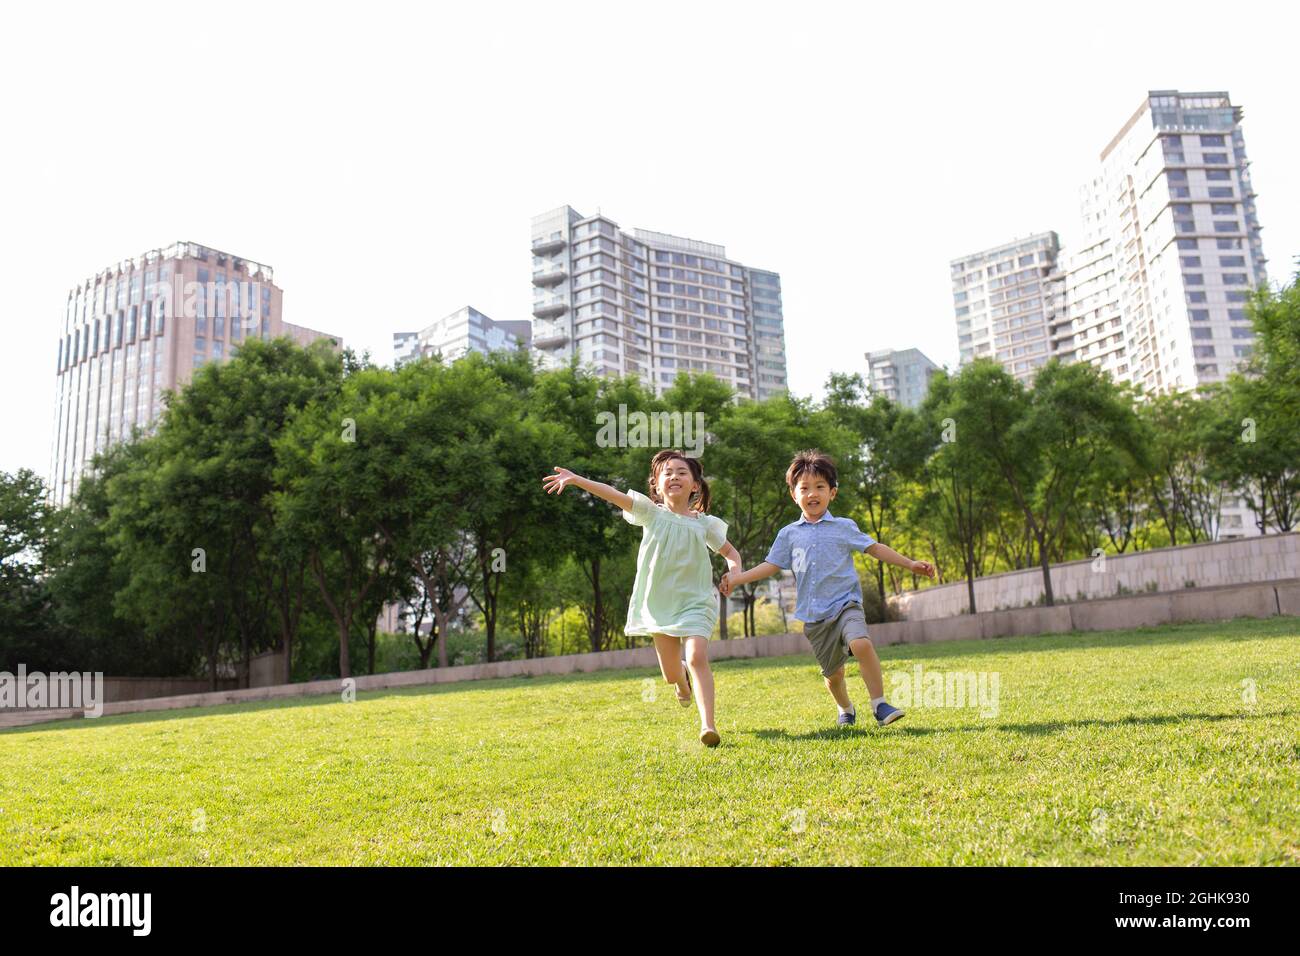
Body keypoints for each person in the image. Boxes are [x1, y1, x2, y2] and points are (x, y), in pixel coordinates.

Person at [720, 449, 936, 728]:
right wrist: (737, 578)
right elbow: (771, 565)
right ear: (793, 495)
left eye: (820, 487)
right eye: (805, 488)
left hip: (846, 604)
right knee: (833, 676)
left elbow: (875, 548)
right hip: (814, 616)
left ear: (832, 493)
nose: (813, 493)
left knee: (861, 643)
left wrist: (910, 564)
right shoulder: (788, 534)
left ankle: (879, 704)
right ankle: (845, 708)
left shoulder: (844, 527)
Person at [543, 449, 742, 746]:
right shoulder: (650, 513)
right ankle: (682, 682)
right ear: (656, 485)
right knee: (670, 675)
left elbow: (731, 554)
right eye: (667, 473)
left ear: (695, 485)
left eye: (682, 472)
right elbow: (612, 494)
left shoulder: (705, 524)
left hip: (697, 601)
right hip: (659, 606)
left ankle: (708, 726)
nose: (674, 476)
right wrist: (576, 480)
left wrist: (734, 573)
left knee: (698, 656)